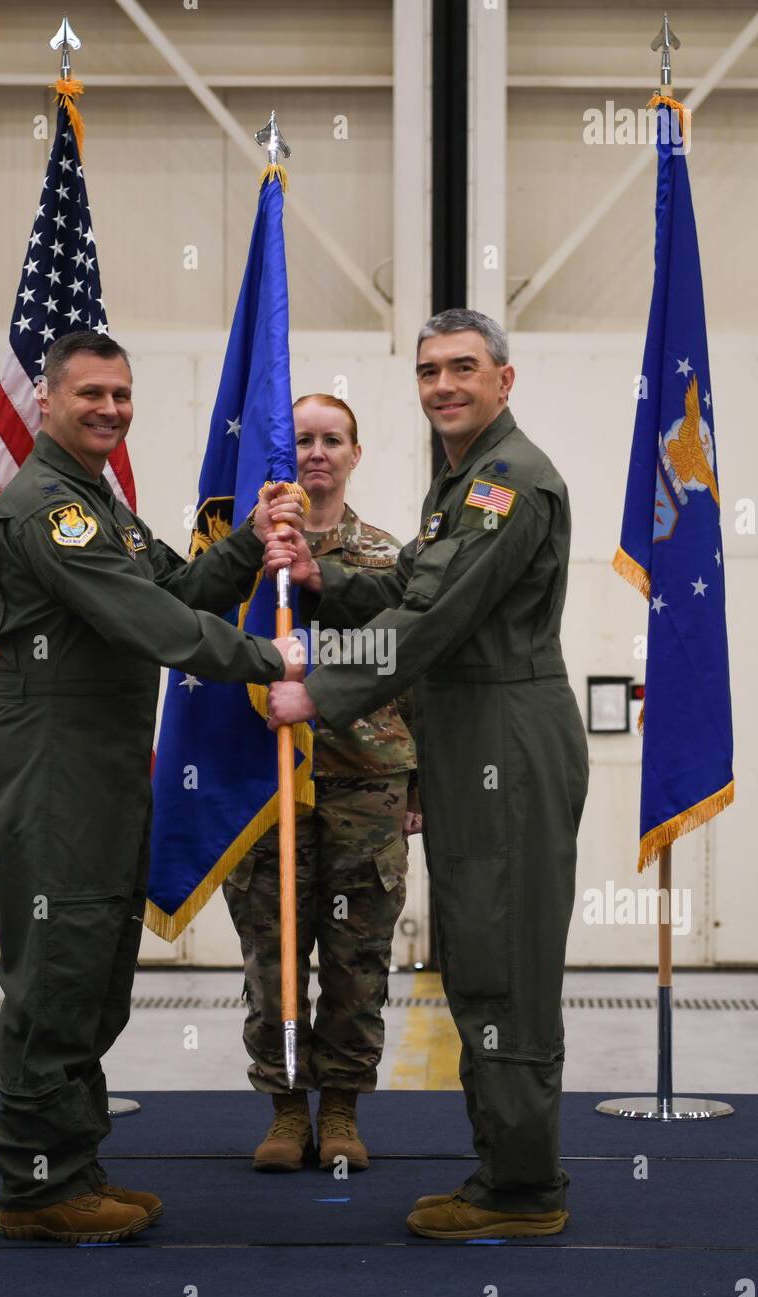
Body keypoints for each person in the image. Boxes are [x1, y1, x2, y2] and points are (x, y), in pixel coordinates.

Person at [0, 330, 306, 1245]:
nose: (110, 409)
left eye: (121, 394)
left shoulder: (101, 502)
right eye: (90, 394)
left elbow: (183, 583)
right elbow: (155, 620)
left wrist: (250, 541)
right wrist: (267, 658)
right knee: (57, 985)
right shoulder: (49, 509)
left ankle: (72, 1167)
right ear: (47, 401)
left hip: (103, 773)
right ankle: (38, 1189)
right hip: (54, 771)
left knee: (94, 981)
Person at [264, 309, 590, 1239]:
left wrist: (316, 693)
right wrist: (332, 587)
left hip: (507, 739)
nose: (443, 386)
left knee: (503, 969)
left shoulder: (509, 485)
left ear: (504, 380)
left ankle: (523, 1192)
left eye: (463, 369)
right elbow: (411, 593)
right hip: (472, 738)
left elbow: (433, 619)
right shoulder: (462, 484)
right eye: (428, 372)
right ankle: (504, 1173)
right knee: (481, 959)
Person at [223, 394, 419, 1173]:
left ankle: (339, 1108)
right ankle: (282, 1107)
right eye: (302, 439)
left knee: (356, 956)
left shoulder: (390, 558)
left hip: (367, 779)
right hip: (267, 784)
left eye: (332, 439)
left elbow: (417, 667)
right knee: (272, 954)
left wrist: (423, 788)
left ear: (355, 453)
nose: (317, 453)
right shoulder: (244, 556)